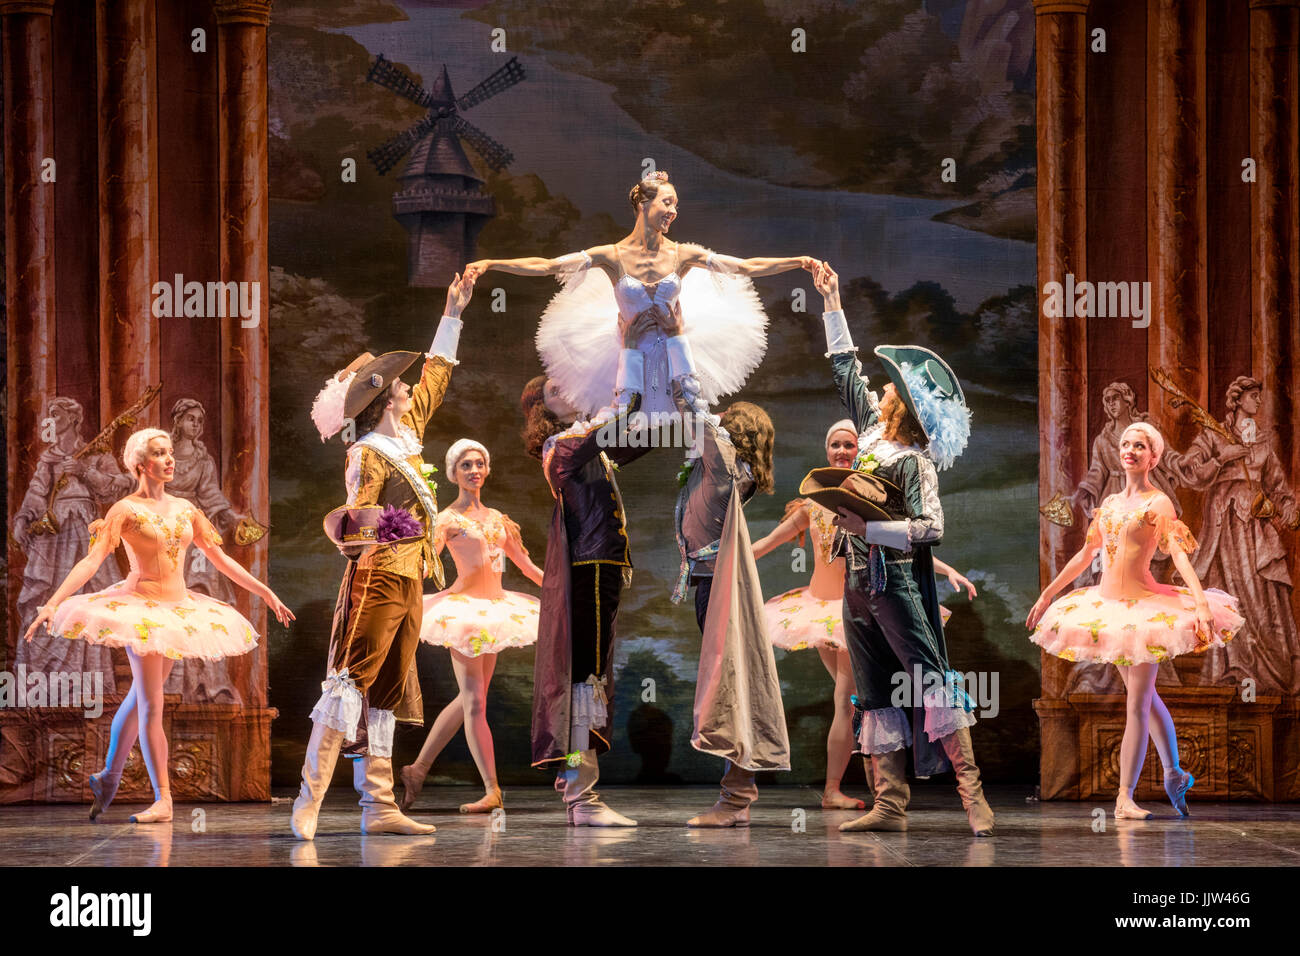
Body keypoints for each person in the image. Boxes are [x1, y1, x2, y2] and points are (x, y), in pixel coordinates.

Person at [23, 428, 295, 824]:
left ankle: (108, 778)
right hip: (142, 611)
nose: (170, 459)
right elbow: (91, 561)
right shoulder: (125, 510)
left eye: (170, 452)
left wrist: (265, 593)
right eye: (160, 453)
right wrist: (52, 602)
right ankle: (163, 800)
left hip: (178, 612)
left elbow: (220, 560)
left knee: (139, 696)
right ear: (139, 464)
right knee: (152, 703)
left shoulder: (187, 509)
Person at [813, 262, 995, 837]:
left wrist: (873, 532)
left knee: (931, 679)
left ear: (907, 406)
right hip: (857, 586)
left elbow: (931, 527)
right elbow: (847, 372)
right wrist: (832, 302)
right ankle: (888, 803)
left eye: (892, 388)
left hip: (895, 583)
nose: (883, 388)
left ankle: (974, 798)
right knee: (873, 689)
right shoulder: (868, 436)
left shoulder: (911, 461)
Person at [293, 273, 473, 840]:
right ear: (381, 398)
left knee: (390, 687)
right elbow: (355, 523)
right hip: (377, 578)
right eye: (395, 382)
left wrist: (453, 313)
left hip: (413, 579)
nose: (405, 385)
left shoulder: (409, 437)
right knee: (350, 678)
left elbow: (437, 378)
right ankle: (310, 799)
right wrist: (379, 531)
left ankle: (380, 804)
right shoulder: (367, 455)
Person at [467, 170, 816, 424]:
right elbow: (547, 265)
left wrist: (797, 261)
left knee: (691, 419)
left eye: (676, 204)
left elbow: (743, 267)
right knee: (620, 423)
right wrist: (492, 263)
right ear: (643, 203)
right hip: (625, 350)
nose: (674, 210)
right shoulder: (612, 255)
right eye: (668, 202)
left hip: (675, 349)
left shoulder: (683, 253)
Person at [751, 419, 977, 810]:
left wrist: (947, 569)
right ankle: (850, 790)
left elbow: (903, 539)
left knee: (852, 697)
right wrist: (725, 560)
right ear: (826, 451)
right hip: (822, 612)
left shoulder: (870, 499)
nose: (842, 451)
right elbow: (769, 542)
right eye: (835, 445)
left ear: (861, 451)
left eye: (849, 445)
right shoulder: (812, 506)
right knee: (850, 698)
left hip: (858, 607)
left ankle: (864, 791)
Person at [1028, 421, 1245, 818]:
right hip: (1108, 608)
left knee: (1138, 703)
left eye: (1140, 446)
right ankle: (1175, 772)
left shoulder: (1159, 503)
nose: (1130, 450)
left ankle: (1123, 796)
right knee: (1146, 699)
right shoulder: (1109, 504)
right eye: (1126, 444)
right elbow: (1085, 555)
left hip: (1142, 612)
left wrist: (1199, 604)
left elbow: (1179, 555)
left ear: (1153, 457)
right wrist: (1047, 594)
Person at [520, 318, 655, 826]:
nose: (567, 388)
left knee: (589, 677)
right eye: (556, 389)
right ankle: (581, 795)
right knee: (585, 678)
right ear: (542, 409)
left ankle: (577, 788)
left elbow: (636, 436)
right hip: (587, 569)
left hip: (600, 568)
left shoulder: (583, 443)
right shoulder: (562, 449)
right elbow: (621, 422)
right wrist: (628, 351)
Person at [398, 439, 544, 815]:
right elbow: (426, 564)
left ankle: (417, 769)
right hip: (463, 614)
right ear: (453, 473)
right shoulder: (446, 520)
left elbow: (527, 568)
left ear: (488, 469)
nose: (474, 470)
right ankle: (492, 790)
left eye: (479, 463)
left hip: (495, 612)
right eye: (466, 465)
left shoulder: (499, 520)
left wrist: (564, 592)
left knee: (469, 700)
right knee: (475, 701)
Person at [671, 385, 790, 827]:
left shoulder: (724, 468)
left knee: (731, 689)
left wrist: (674, 339)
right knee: (729, 685)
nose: (716, 416)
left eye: (725, 415)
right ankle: (737, 794)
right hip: (710, 585)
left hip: (718, 589)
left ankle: (736, 796)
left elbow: (692, 409)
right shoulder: (725, 468)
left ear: (735, 429)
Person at [1167, 376, 1300, 694]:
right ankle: (1235, 667)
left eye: (1259, 396)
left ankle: (1273, 669)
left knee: (1263, 594)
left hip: (1256, 528)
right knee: (1233, 594)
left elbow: (1277, 486)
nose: (1257, 401)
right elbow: (1190, 473)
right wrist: (1221, 458)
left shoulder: (1263, 441)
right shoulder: (1213, 434)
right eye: (1252, 396)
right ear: (1237, 400)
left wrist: (1289, 509)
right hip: (1226, 528)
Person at [15, 397, 134, 686]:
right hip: (55, 537)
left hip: (85, 531)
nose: (52, 421)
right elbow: (36, 492)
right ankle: (48, 678)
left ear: (73, 418)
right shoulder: (49, 458)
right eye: (51, 416)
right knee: (50, 593)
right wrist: (22, 518)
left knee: (88, 597)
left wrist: (85, 472)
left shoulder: (96, 452)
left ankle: (90, 677)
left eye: (57, 415)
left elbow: (120, 485)